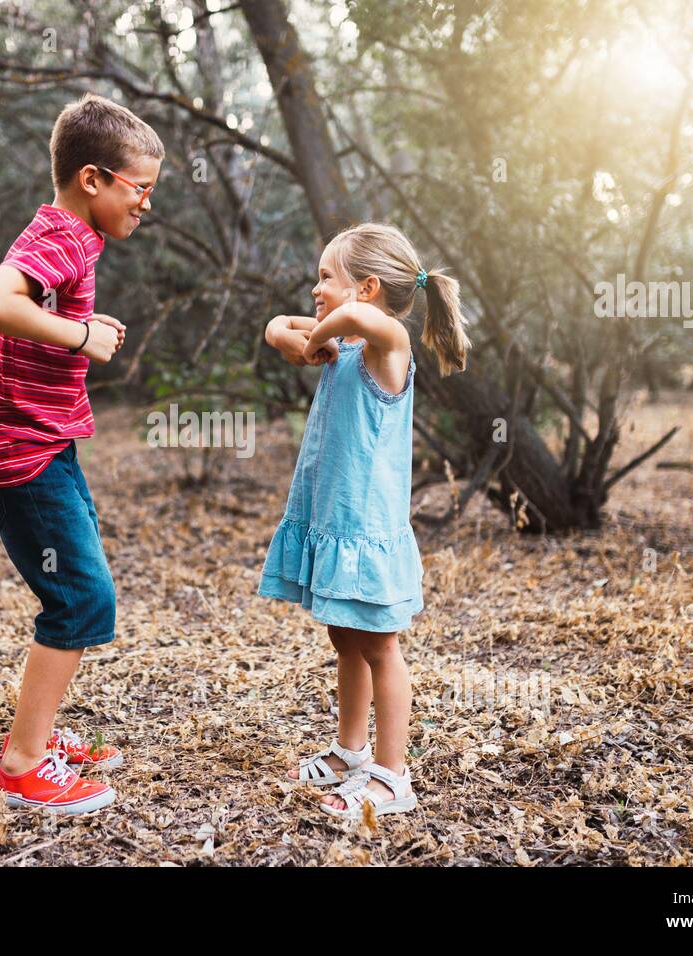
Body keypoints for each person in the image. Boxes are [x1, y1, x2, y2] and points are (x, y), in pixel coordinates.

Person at [0, 92, 163, 814]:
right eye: (139, 189)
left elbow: (26, 312)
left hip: (44, 441)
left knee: (78, 585)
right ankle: (20, 764)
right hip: (16, 449)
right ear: (93, 179)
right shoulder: (62, 237)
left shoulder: (72, 237)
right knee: (81, 597)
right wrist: (78, 336)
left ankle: (39, 736)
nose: (145, 204)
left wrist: (72, 320)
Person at [261, 222, 471, 819]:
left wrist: (314, 336)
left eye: (326, 277)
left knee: (380, 646)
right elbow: (282, 327)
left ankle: (391, 777)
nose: (315, 289)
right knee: (344, 636)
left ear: (369, 287)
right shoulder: (349, 343)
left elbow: (363, 322)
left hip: (368, 532)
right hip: (336, 521)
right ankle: (349, 752)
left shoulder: (386, 344)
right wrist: (288, 333)